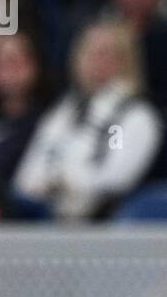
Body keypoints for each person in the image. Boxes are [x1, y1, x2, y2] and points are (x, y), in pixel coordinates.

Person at [12, 19, 162, 219]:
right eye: (89, 53)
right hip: (44, 212)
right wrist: (44, 184)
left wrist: (69, 182)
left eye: (106, 54)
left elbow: (116, 178)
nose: (96, 62)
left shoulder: (134, 116)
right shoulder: (61, 112)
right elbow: (27, 174)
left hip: (100, 220)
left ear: (126, 60)